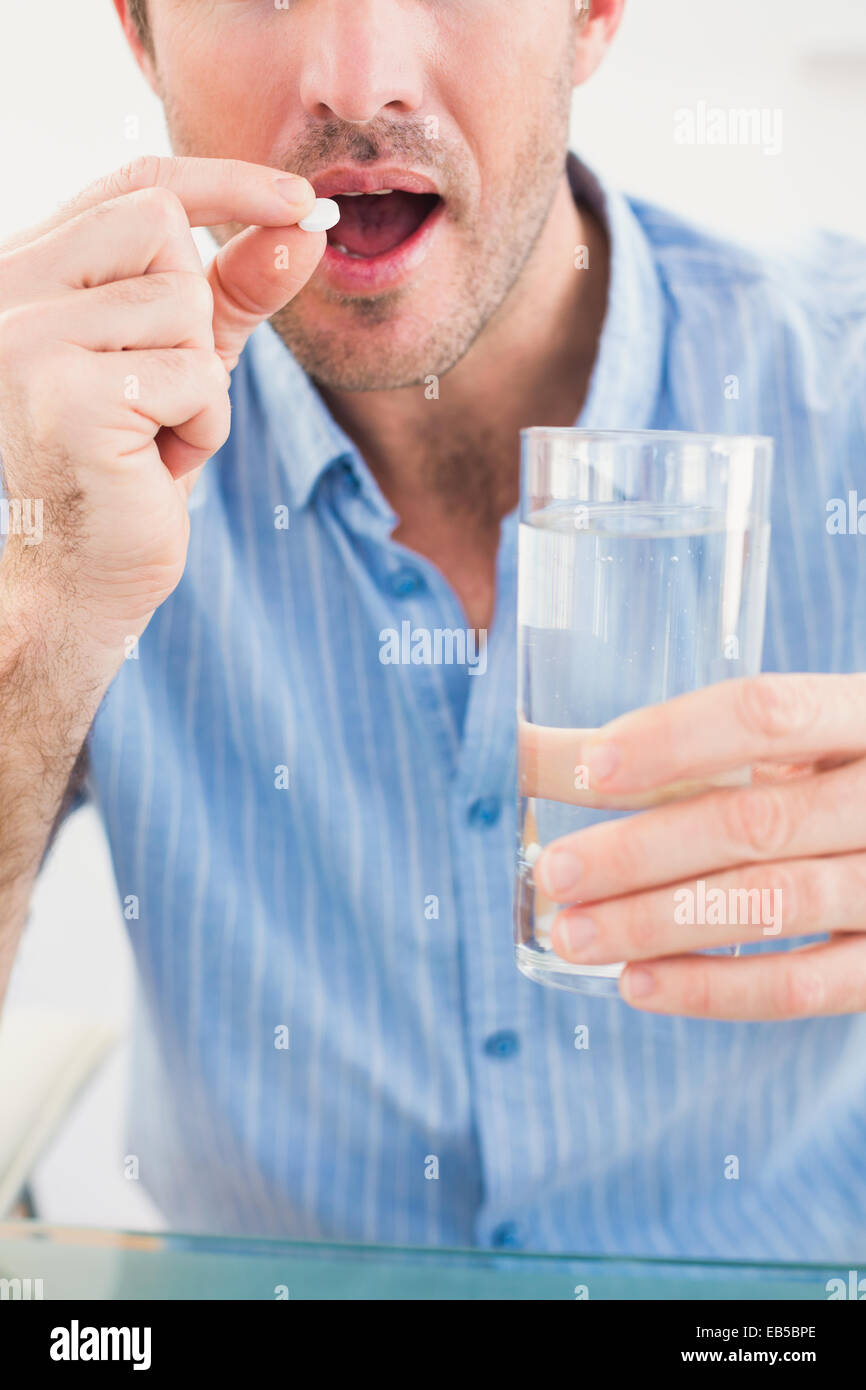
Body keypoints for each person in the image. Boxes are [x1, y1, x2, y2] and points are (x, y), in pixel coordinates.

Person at [1, 0, 865, 1260]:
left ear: (593, 16)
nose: (358, 83)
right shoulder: (54, 451)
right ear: (138, 31)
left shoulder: (836, 391)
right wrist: (30, 616)